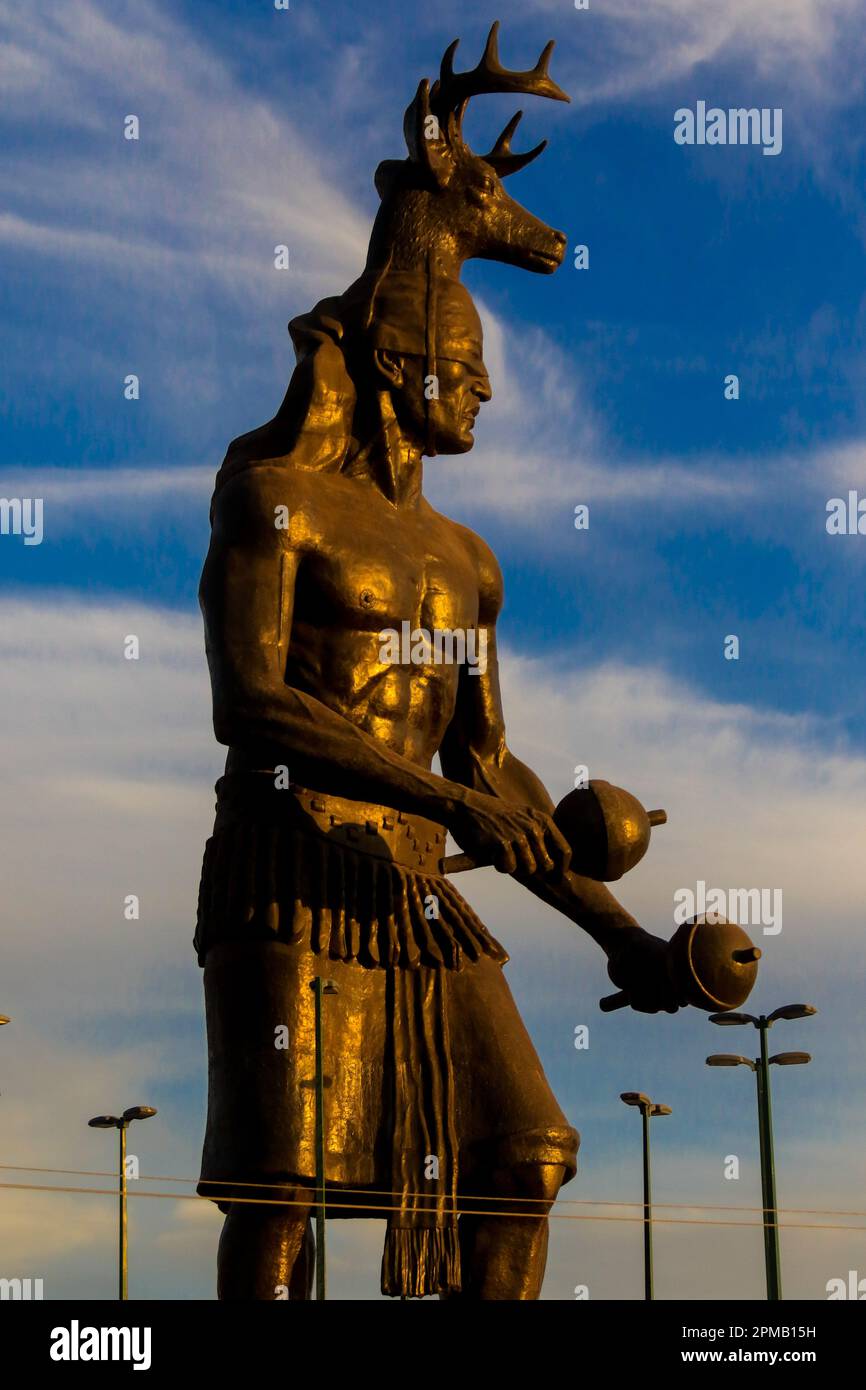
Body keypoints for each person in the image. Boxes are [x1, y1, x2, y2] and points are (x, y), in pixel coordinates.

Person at [196, 267, 679, 1300]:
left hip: (413, 886)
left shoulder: (466, 562)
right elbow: (251, 704)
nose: (484, 392)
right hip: (288, 860)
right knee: (280, 1183)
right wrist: (455, 805)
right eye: (462, 367)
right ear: (389, 364)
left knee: (524, 1152)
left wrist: (621, 933)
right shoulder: (275, 501)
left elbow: (488, 766)